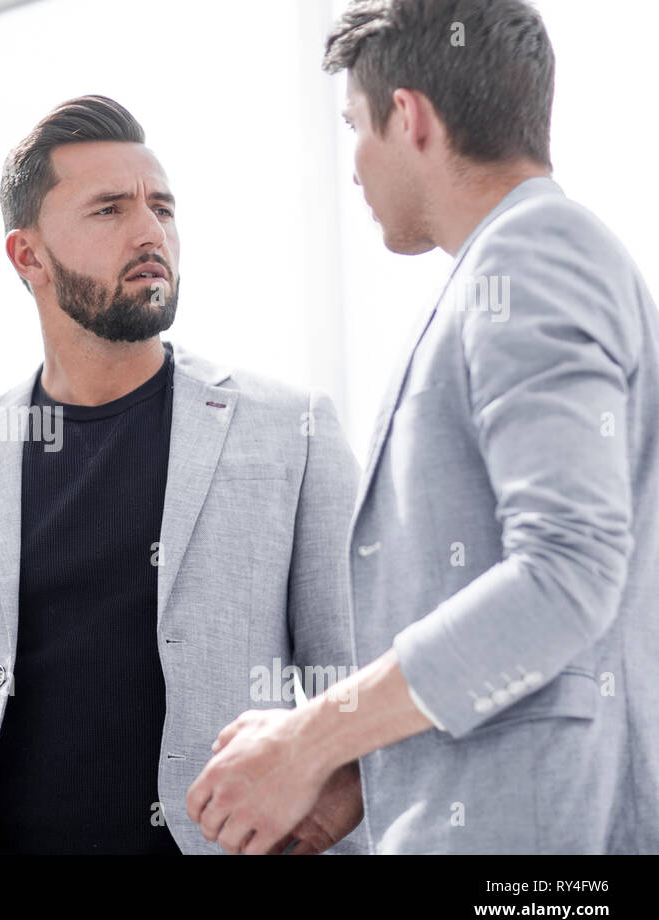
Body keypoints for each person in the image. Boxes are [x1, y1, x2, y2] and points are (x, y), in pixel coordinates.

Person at [188, 0, 659, 854]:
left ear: (410, 117)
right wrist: (360, 778)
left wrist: (310, 739)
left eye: (354, 130)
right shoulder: (520, 261)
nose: (355, 171)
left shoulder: (534, 254)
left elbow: (566, 574)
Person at [0, 95, 366, 855]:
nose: (151, 232)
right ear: (28, 257)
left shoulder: (293, 432)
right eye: (109, 210)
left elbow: (349, 697)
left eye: (162, 207)